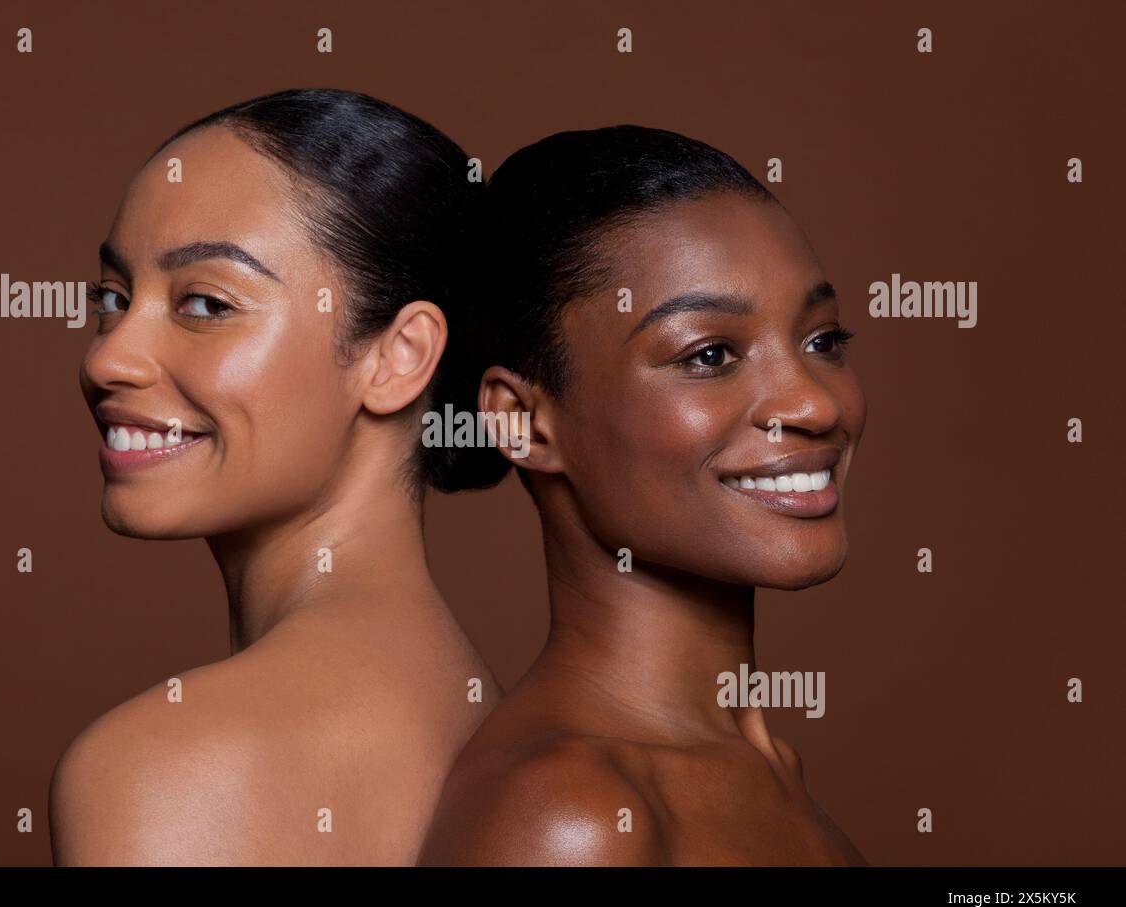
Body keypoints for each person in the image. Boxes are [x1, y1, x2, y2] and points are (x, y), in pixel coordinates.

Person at [51, 89, 500, 865]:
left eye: (205, 302)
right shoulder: (481, 717)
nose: (107, 359)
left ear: (397, 358)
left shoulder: (163, 769)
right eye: (114, 299)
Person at [419, 126, 869, 865]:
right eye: (710, 355)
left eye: (823, 341)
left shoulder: (765, 774)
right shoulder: (569, 817)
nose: (816, 405)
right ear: (522, 421)